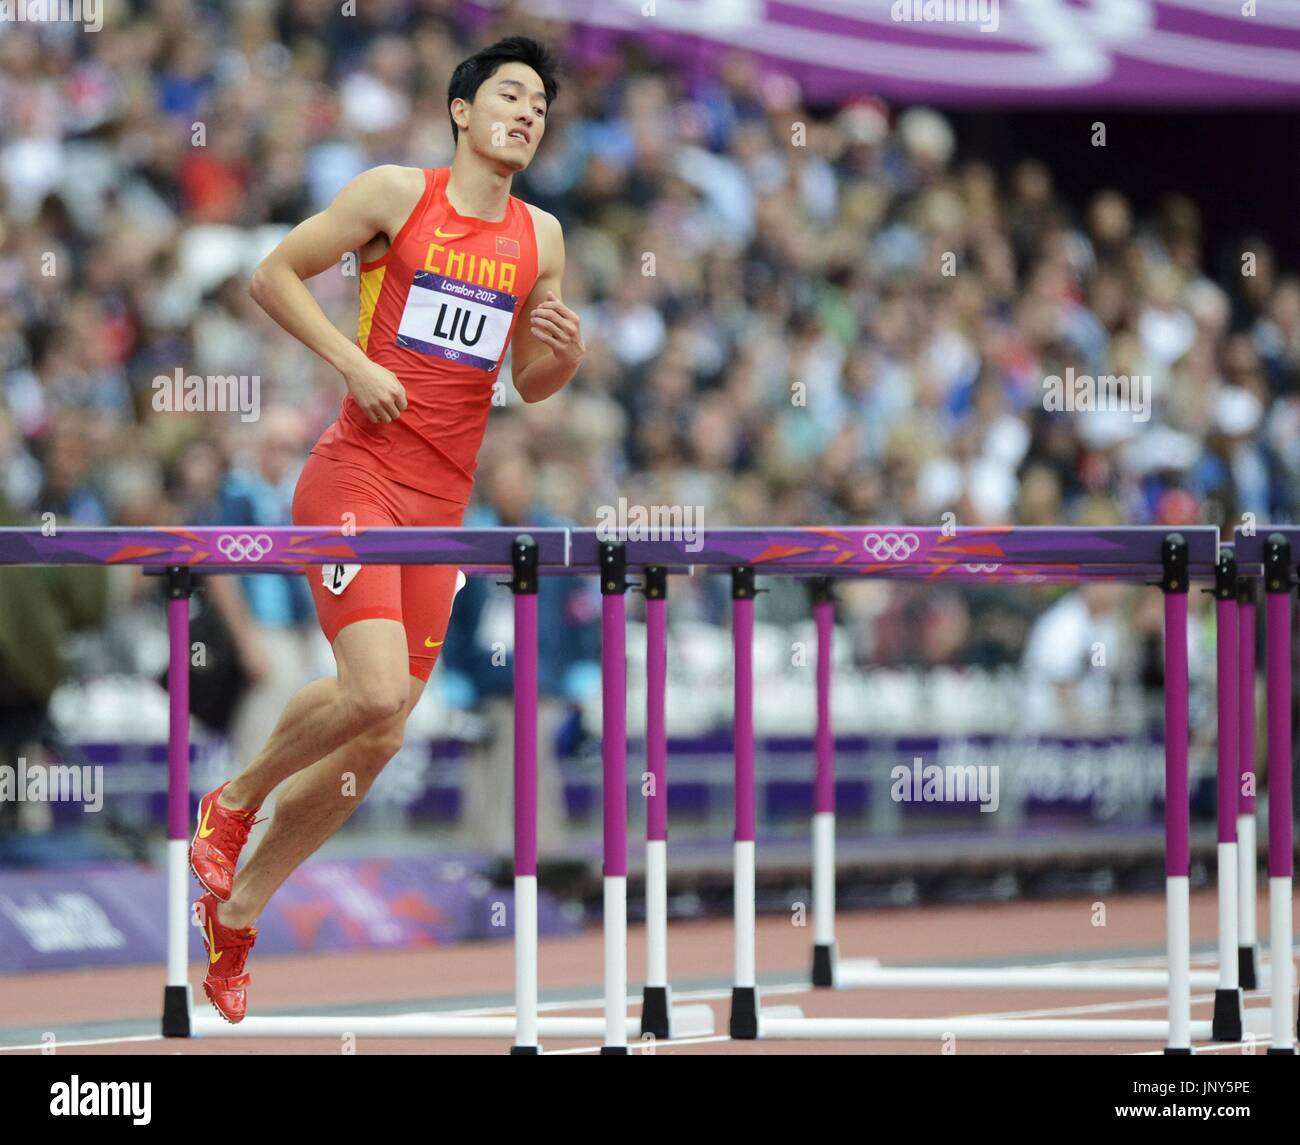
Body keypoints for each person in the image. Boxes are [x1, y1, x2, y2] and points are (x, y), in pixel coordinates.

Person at [189, 36, 584, 1023]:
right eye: (509, 93)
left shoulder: (542, 237)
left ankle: (238, 911)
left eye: (540, 102)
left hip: (443, 510)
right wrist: (350, 365)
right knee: (373, 689)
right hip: (355, 476)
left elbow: (528, 387)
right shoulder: (394, 196)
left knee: (386, 729)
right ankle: (233, 800)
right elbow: (272, 274)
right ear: (461, 109)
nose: (528, 111)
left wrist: (560, 361)